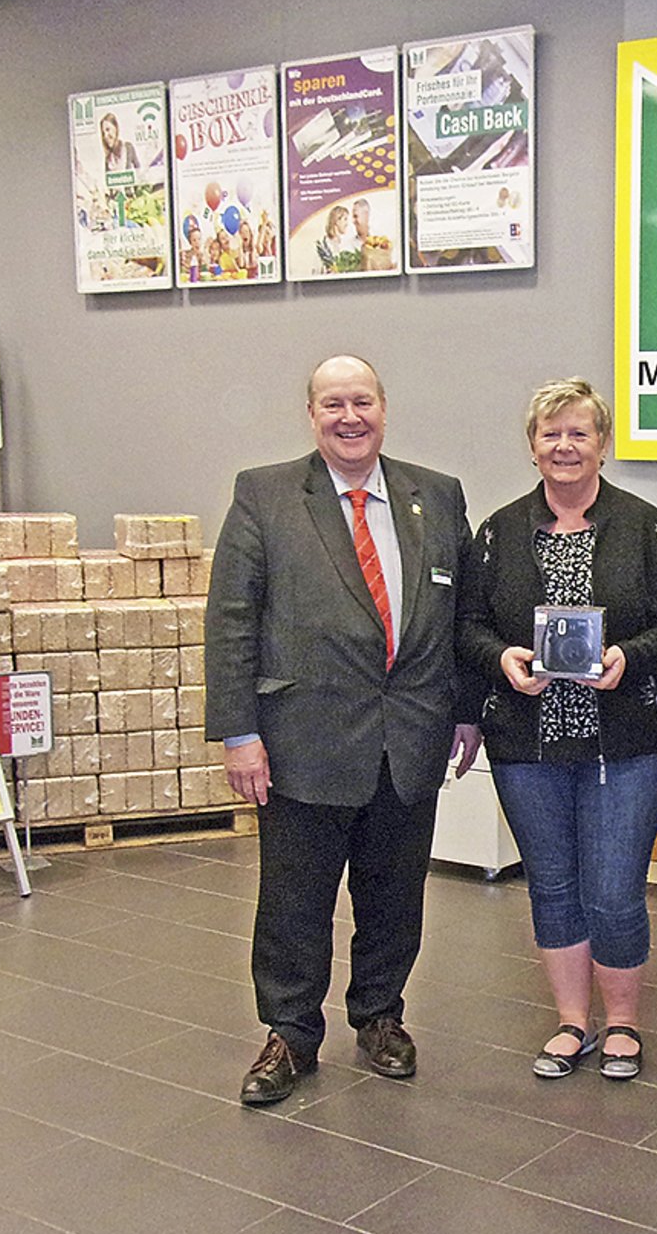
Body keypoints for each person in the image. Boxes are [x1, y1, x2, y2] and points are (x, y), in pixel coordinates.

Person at [206, 354, 482, 1103]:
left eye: (362, 402)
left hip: (410, 737)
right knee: (294, 900)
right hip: (302, 741)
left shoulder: (437, 495)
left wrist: (465, 708)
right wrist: (237, 732)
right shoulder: (264, 494)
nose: (349, 417)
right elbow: (231, 620)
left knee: (395, 894)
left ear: (384, 409)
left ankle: (381, 1016)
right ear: (312, 415)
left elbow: (462, 616)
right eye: (333, 404)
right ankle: (291, 1034)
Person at [460, 379, 657, 1079]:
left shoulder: (647, 527)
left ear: (603, 444)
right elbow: (468, 626)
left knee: (615, 891)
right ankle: (572, 1021)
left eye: (579, 433)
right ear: (532, 446)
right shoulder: (498, 533)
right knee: (552, 886)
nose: (564, 446)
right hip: (526, 743)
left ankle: (622, 1022)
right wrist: (502, 659)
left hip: (626, 744)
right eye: (551, 434)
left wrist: (630, 657)